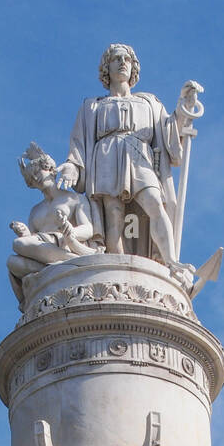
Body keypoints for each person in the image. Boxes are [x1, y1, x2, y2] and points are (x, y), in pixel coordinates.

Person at [58, 44, 201, 281]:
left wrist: (184, 107)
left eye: (128, 59)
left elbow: (170, 133)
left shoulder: (149, 103)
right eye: (116, 58)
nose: (123, 62)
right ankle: (117, 269)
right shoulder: (92, 106)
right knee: (113, 215)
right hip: (105, 156)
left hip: (139, 155)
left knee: (156, 204)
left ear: (134, 67)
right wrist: (73, 165)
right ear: (107, 67)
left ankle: (171, 261)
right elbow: (79, 142)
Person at [6, 143, 99, 306]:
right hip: (45, 252)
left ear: (49, 168)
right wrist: (25, 233)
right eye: (31, 178)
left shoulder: (74, 199)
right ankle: (63, 266)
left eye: (36, 172)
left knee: (18, 244)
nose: (35, 178)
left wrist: (71, 232)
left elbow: (89, 228)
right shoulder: (35, 211)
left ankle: (71, 261)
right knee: (12, 263)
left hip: (64, 242)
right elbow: (33, 243)